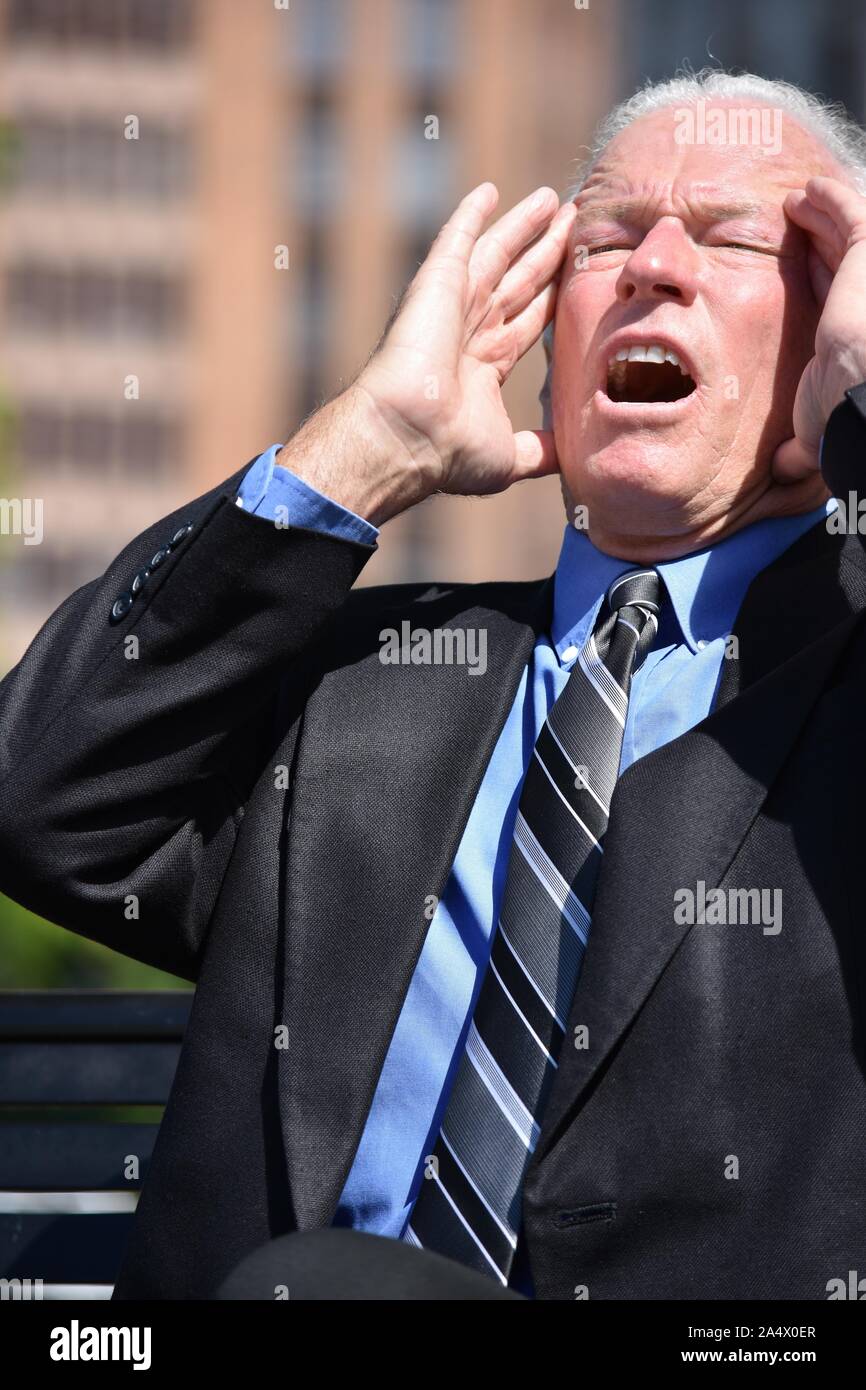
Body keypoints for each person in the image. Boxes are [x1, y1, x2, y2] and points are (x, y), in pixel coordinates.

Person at [3, 69, 866, 1301]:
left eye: (729, 237)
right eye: (605, 237)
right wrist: (367, 443)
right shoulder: (360, 680)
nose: (650, 266)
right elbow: (39, 797)